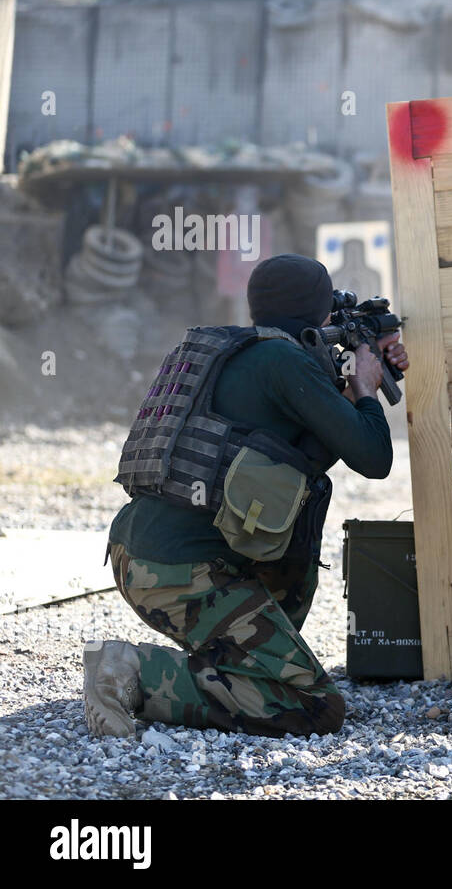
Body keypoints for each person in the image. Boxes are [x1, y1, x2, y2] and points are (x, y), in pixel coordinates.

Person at [84, 254, 409, 739]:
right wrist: (364, 388)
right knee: (312, 706)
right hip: (182, 573)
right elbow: (375, 458)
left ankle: (228, 660)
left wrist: (362, 377)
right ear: (316, 315)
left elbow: (300, 459)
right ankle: (135, 673)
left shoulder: (248, 356)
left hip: (145, 555)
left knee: (280, 625)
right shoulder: (284, 362)